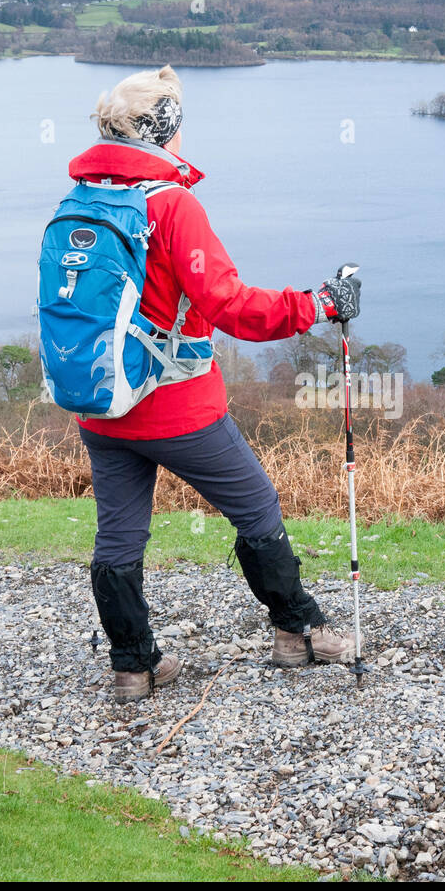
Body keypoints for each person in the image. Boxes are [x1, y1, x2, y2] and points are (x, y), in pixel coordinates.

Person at [64, 64, 362, 703]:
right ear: (164, 129)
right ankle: (297, 632)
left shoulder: (79, 203)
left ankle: (132, 666)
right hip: (178, 409)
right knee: (257, 507)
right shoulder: (171, 206)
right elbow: (229, 305)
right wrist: (319, 305)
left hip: (101, 405)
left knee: (118, 534)